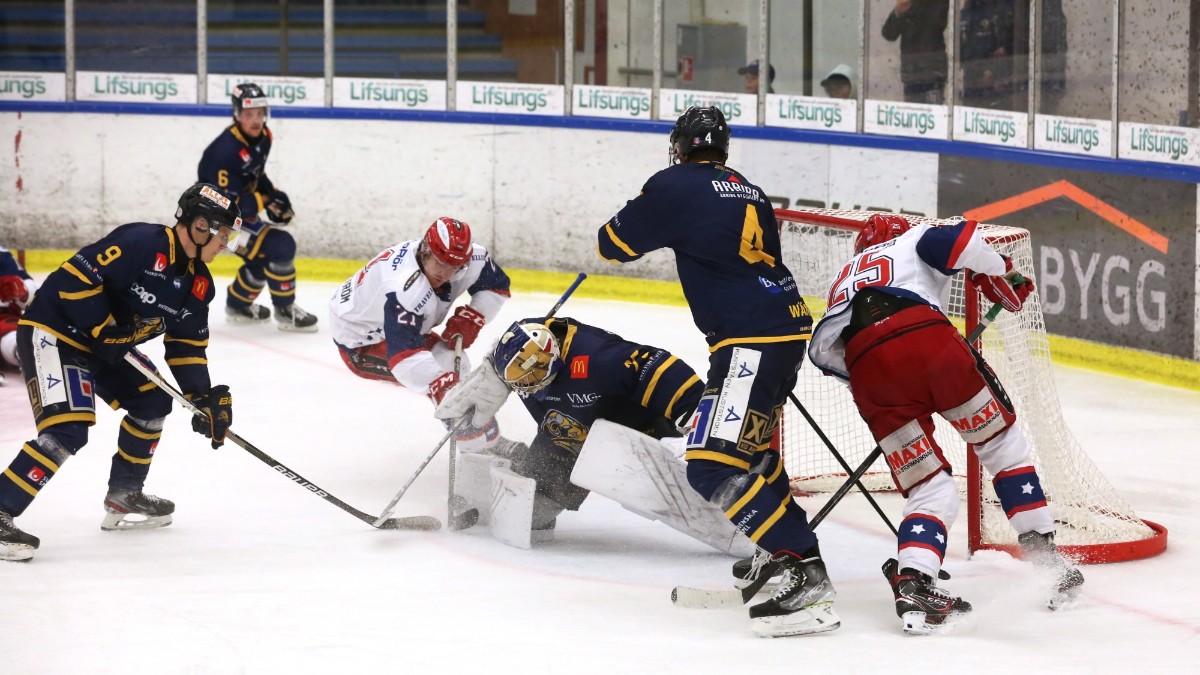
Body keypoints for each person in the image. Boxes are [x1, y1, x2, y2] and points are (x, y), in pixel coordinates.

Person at [595, 106, 838, 638]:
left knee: (708, 464)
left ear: (680, 145)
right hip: (786, 330)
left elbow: (612, 244)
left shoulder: (674, 184)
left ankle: (803, 566)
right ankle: (779, 554)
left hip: (747, 342)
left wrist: (652, 203)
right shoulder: (749, 189)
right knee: (750, 451)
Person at [807, 214, 1084, 634]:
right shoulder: (911, 239)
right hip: (927, 341)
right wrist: (1001, 269)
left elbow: (835, 359)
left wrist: (891, 388)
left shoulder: (842, 281)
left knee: (929, 486)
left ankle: (916, 584)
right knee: (999, 445)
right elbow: (962, 240)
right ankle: (1048, 560)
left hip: (868, 375)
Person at [0, 183, 240, 562]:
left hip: (107, 349)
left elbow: (186, 346)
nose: (225, 244)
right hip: (56, 333)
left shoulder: (198, 285)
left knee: (153, 402)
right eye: (223, 234)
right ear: (199, 225)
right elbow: (74, 279)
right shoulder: (142, 242)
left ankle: (124, 494)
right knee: (68, 428)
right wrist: (103, 328)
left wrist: (202, 398)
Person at [433, 317, 750, 552]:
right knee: (527, 516)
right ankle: (515, 461)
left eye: (532, 375)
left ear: (552, 357)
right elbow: (503, 358)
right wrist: (480, 389)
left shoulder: (598, 359)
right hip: (567, 439)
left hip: (631, 430)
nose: (525, 385)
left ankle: (747, 528)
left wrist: (691, 408)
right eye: (517, 379)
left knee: (669, 493)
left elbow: (656, 364)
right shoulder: (523, 360)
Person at [328, 217, 519, 456]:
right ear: (425, 251)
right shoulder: (403, 288)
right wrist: (442, 387)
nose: (446, 274)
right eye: (440, 263)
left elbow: (496, 284)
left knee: (454, 369)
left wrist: (473, 316)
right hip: (363, 341)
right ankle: (479, 448)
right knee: (450, 380)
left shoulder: (472, 259)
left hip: (394, 322)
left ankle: (482, 440)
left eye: (455, 267)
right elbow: (403, 356)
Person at [198, 82, 318, 332]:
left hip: (236, 216)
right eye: (248, 114)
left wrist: (272, 195)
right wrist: (265, 201)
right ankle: (285, 311)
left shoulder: (265, 137)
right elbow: (227, 206)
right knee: (280, 245)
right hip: (213, 223)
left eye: (260, 113)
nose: (255, 120)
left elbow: (255, 174)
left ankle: (238, 305)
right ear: (237, 115)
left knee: (262, 257)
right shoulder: (223, 151)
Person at [881, 0, 949, 104]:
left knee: (933, 115)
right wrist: (898, 11)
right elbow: (889, 34)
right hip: (911, 73)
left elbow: (938, 22)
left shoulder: (938, 3)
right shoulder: (908, 4)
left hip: (933, 73)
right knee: (912, 114)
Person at [0, 246, 40, 386]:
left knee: (15, 333)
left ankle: (28, 356)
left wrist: (22, 290)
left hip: (4, 316)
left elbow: (35, 297)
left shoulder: (2, 255)